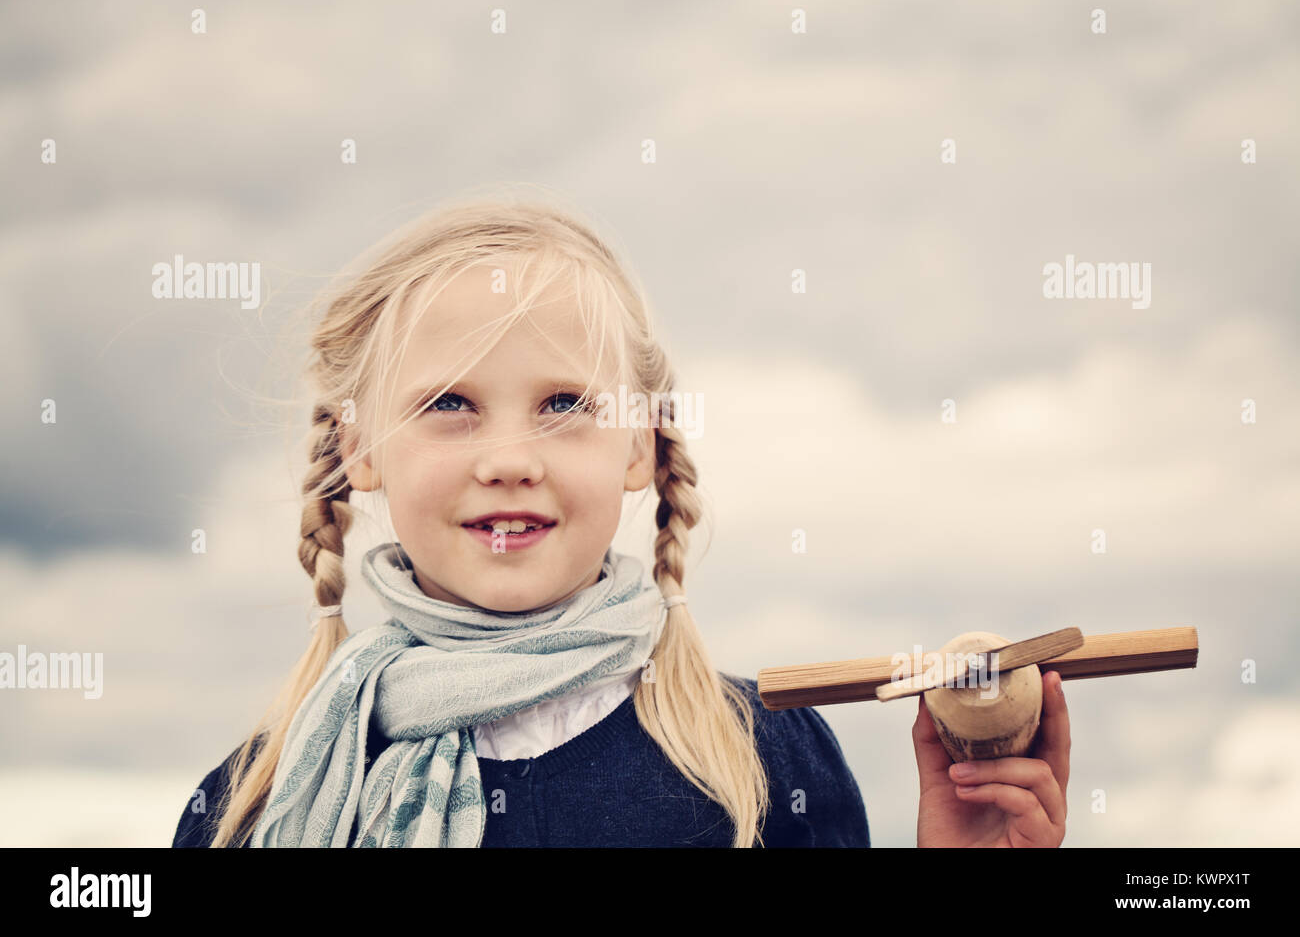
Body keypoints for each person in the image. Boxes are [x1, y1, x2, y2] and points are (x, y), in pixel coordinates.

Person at [171, 185, 1067, 848]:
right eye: (450, 403)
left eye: (564, 402)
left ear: (639, 446)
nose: (511, 457)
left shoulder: (759, 760)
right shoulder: (256, 803)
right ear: (360, 449)